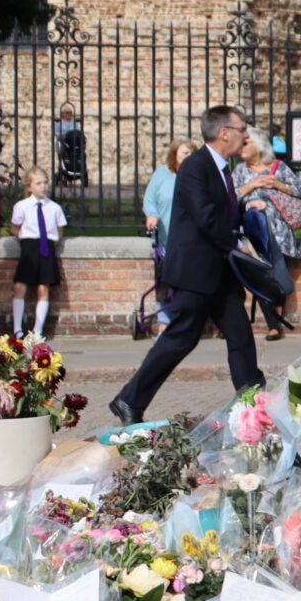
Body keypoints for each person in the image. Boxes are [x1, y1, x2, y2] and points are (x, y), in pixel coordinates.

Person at [108, 106, 265, 423]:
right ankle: (129, 399)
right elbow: (205, 217)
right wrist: (238, 244)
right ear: (224, 133)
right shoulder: (197, 166)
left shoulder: (220, 168)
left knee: (239, 335)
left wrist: (247, 213)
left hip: (219, 273)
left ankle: (254, 403)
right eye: (241, 128)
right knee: (181, 336)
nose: (245, 135)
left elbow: (222, 214)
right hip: (196, 272)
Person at [236, 133, 301, 340]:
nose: (241, 147)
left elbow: (300, 190)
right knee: (260, 274)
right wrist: (252, 187)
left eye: (246, 142)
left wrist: (277, 185)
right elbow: (230, 197)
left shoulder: (278, 167)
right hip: (253, 233)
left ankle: (277, 314)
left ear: (258, 146)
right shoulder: (240, 171)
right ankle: (273, 325)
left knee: (278, 275)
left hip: (278, 233)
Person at [9, 169, 67, 339]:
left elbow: (59, 230)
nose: (43, 186)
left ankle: (38, 330)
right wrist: (24, 241)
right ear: (29, 187)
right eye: (38, 183)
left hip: (46, 247)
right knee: (20, 286)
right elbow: (15, 227)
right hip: (29, 247)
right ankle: (17, 329)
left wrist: (49, 243)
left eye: (45, 182)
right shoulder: (22, 206)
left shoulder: (54, 208)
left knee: (43, 288)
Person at [142, 140, 193, 327]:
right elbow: (149, 200)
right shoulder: (162, 174)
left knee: (188, 279)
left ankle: (187, 318)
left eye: (191, 153)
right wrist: (152, 215)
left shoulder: (196, 175)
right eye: (184, 153)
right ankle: (164, 320)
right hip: (167, 236)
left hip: (190, 238)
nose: (189, 156)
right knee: (164, 278)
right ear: (174, 155)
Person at [53, 105, 89, 186]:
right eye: (67, 113)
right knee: (63, 156)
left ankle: (78, 170)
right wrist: (62, 134)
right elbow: (55, 132)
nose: (69, 114)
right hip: (63, 142)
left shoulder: (73, 122)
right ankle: (63, 173)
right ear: (62, 114)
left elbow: (77, 131)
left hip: (73, 143)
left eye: (70, 113)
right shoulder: (58, 122)